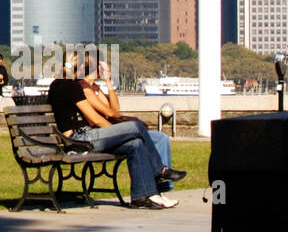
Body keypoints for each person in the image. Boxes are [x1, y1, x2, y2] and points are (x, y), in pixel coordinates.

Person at [47, 52, 185, 209]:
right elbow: (96, 118)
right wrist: (118, 132)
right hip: (79, 140)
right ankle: (160, 171)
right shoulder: (69, 86)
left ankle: (142, 197)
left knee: (136, 144)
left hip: (79, 138)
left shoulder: (59, 84)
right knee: (136, 127)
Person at [78, 52, 178, 199]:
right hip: (103, 133)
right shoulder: (84, 87)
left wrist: (108, 81)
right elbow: (110, 114)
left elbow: (115, 108)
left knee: (161, 138)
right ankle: (159, 175)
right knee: (138, 132)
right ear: (94, 66)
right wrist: (127, 122)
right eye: (101, 65)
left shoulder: (96, 88)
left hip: (113, 129)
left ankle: (161, 187)